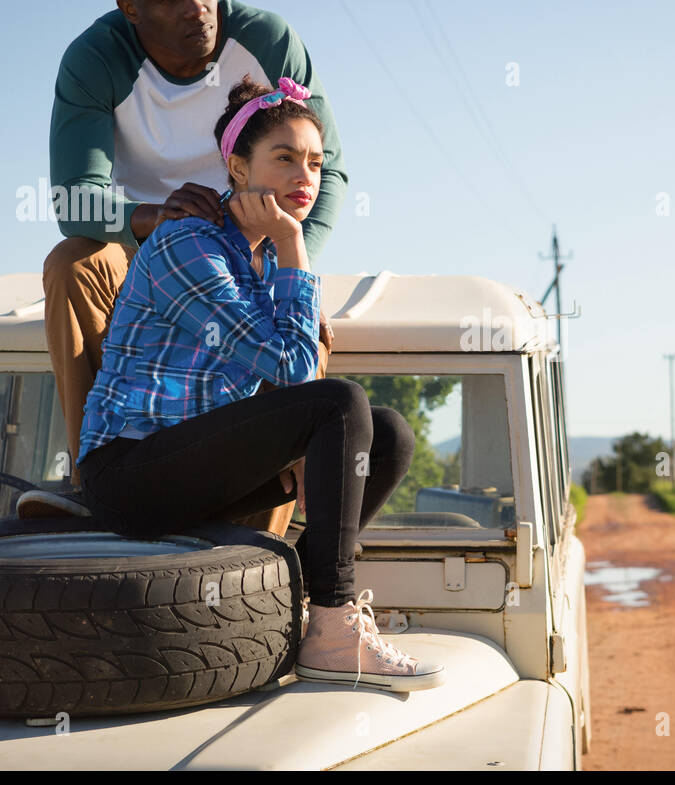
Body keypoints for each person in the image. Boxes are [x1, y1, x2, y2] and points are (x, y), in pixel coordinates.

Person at [76, 75, 443, 692]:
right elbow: (297, 371)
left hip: (201, 474)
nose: (306, 176)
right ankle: (334, 626)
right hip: (132, 474)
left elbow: (284, 378)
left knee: (388, 433)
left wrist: (285, 254)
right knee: (340, 400)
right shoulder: (187, 245)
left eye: (316, 163)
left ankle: (296, 610)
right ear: (237, 167)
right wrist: (295, 243)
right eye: (285, 158)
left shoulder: (266, 259)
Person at [22, 0, 348, 538]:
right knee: (71, 263)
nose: (196, 7)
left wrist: (288, 257)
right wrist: (156, 213)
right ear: (131, 8)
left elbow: (327, 171)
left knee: (303, 333)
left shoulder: (269, 39)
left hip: (258, 239)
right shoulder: (95, 58)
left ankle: (263, 546)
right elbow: (74, 201)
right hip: (148, 244)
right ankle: (98, 478)